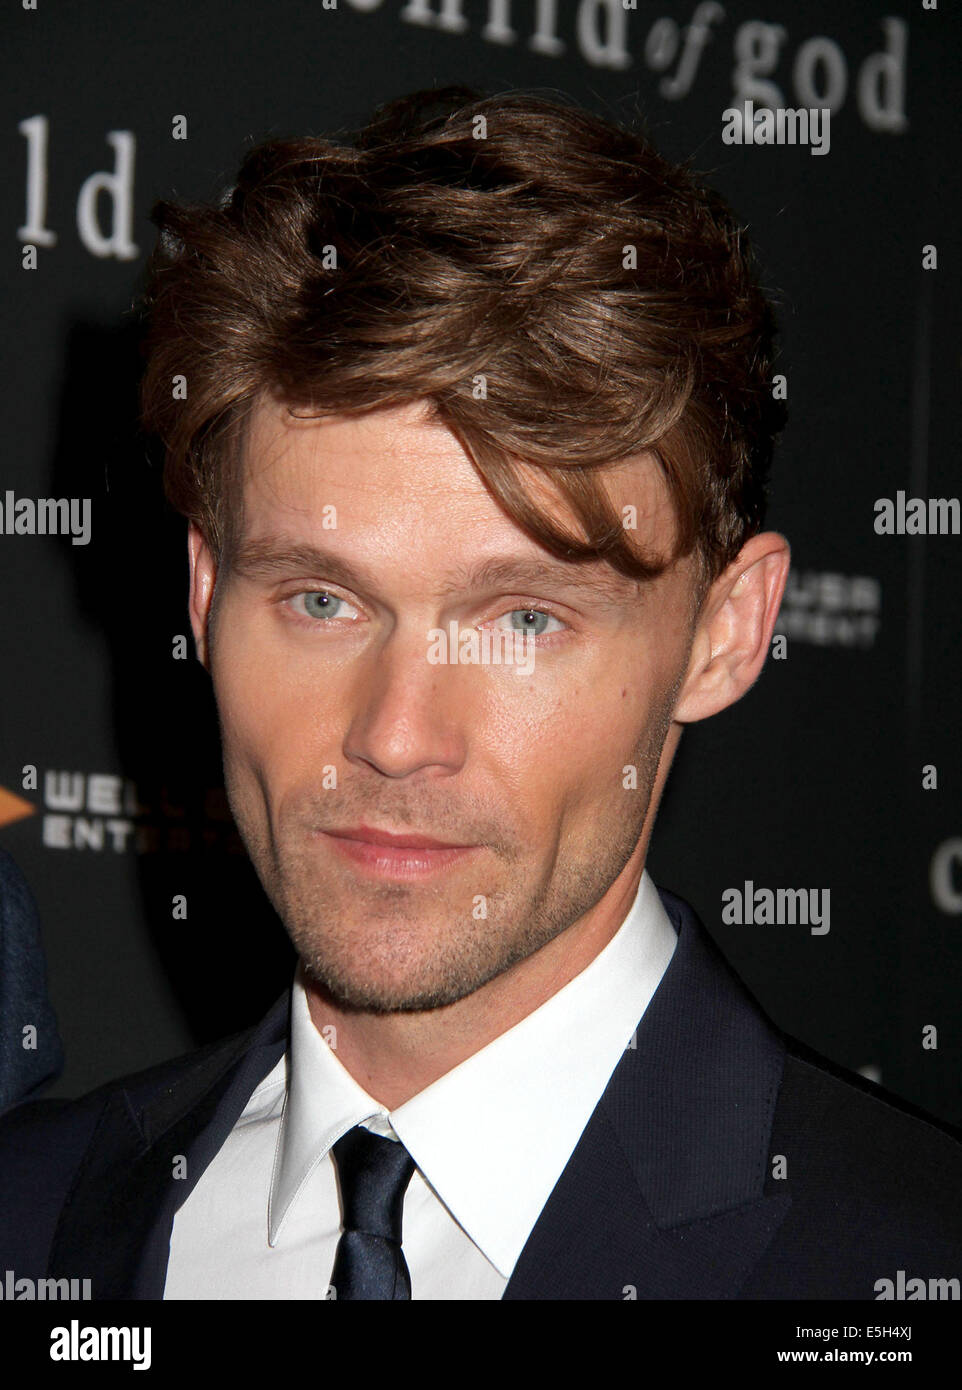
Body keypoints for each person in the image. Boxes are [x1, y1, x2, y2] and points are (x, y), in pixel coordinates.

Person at [1, 87, 960, 1301]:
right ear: (203, 592)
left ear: (724, 635)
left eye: (521, 619)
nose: (396, 736)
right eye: (321, 601)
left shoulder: (908, 1267)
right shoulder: (30, 1223)